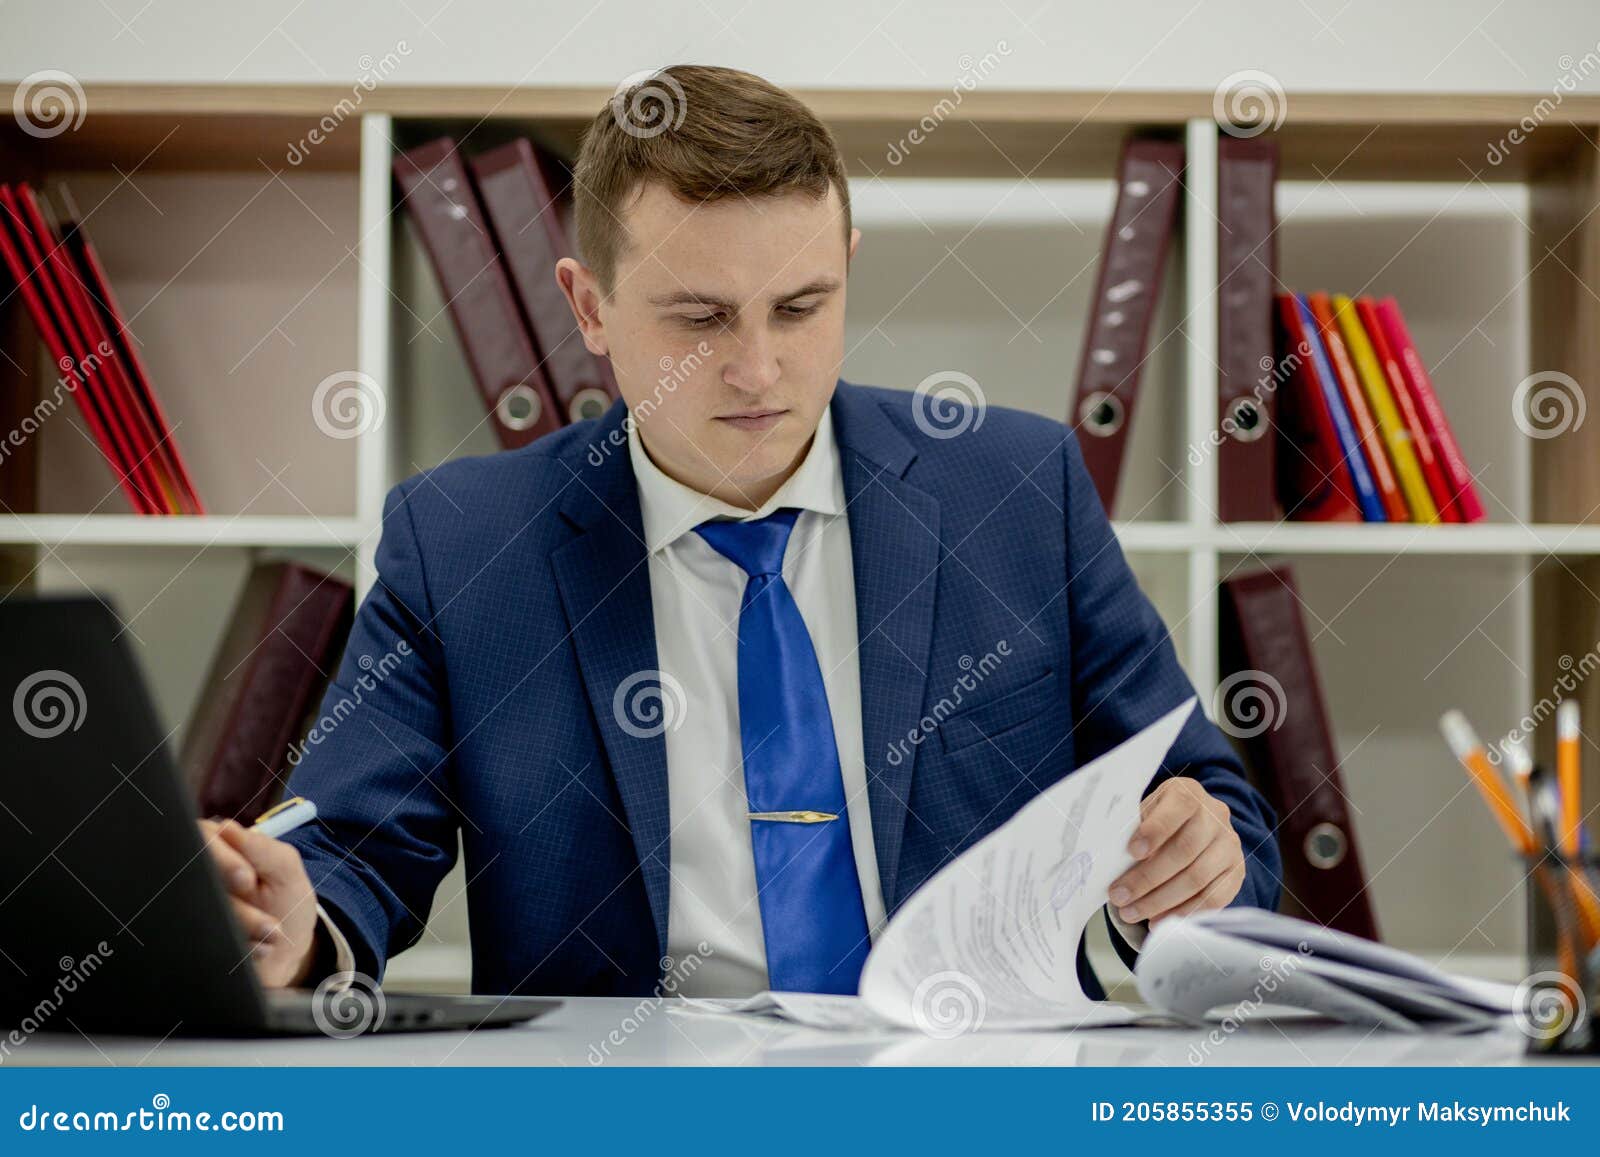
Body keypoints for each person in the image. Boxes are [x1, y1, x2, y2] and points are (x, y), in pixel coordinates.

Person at [202, 64, 1280, 1000]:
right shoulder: (465, 543)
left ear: (846, 267)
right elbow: (348, 848)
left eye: (801, 307)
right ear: (588, 307)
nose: (759, 370)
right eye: (702, 317)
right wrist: (297, 929)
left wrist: (1195, 865)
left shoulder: (1018, 494)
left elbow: (1206, 802)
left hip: (971, 1086)